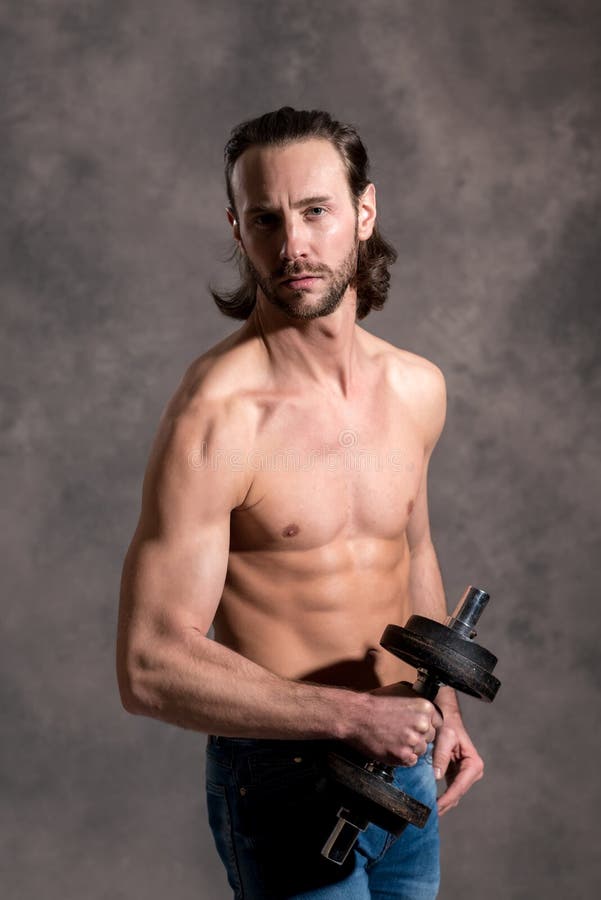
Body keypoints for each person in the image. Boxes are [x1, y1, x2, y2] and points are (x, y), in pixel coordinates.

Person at [116, 106, 484, 899]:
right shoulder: (218, 415)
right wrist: (351, 718)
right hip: (286, 778)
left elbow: (409, 553)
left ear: (363, 211)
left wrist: (442, 711)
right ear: (238, 230)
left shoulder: (416, 388)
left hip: (404, 762)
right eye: (265, 219)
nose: (293, 246)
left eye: (315, 211)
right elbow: (148, 663)